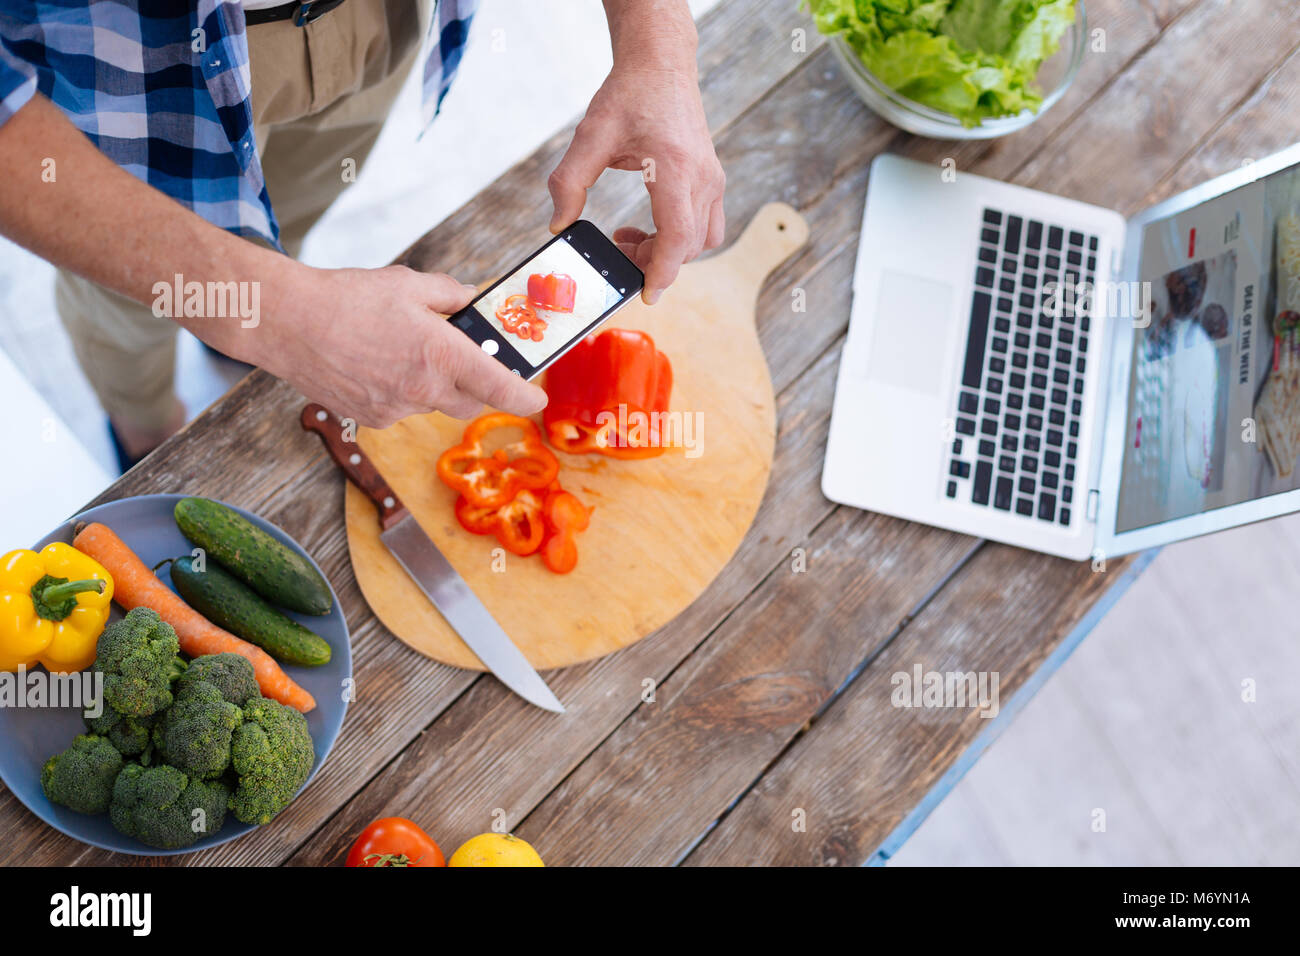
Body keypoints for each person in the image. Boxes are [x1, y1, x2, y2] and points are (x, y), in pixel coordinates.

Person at [0, 0, 725, 469]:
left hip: (378, 20)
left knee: (299, 205)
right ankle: (145, 428)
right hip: (127, 71)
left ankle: (227, 333)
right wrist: (282, 321)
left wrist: (658, 43)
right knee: (127, 306)